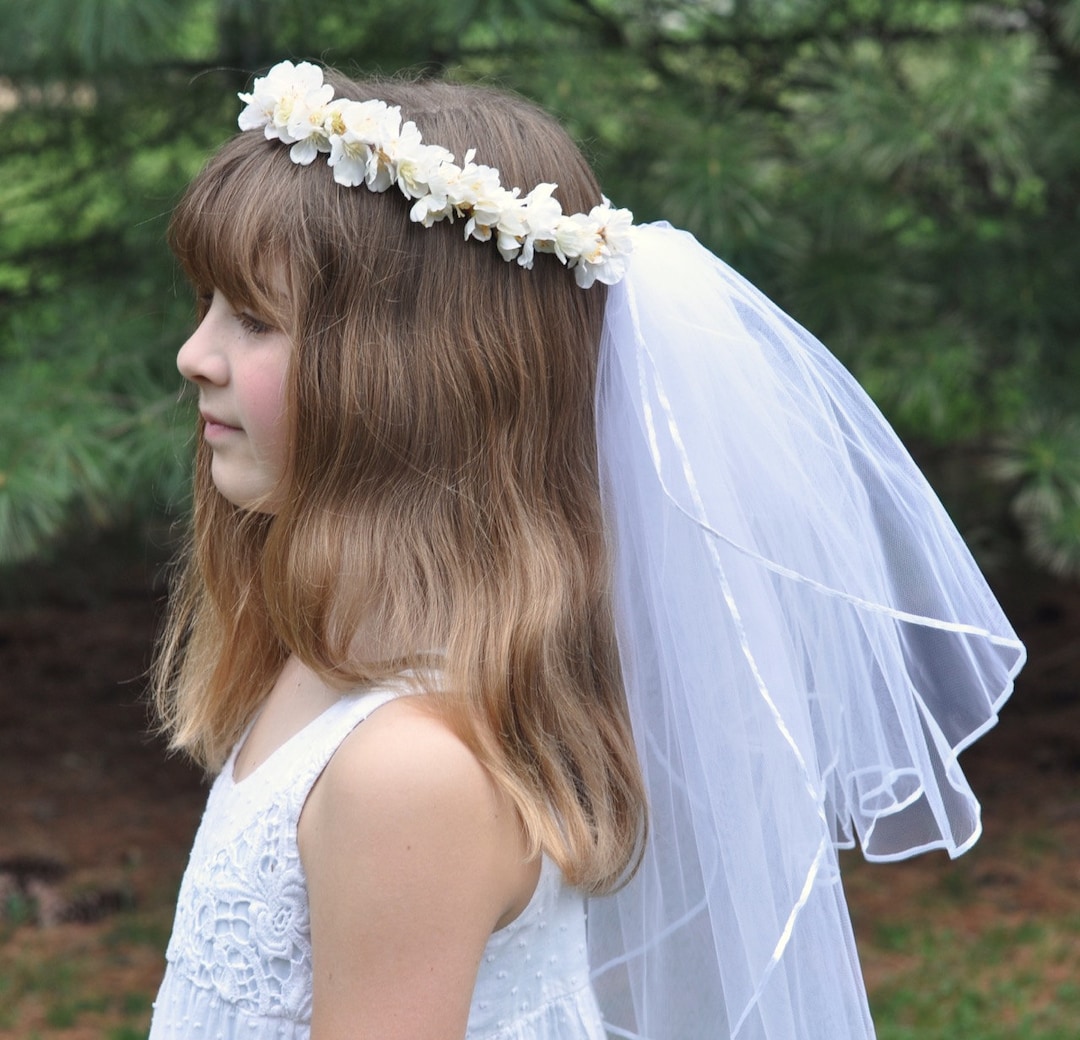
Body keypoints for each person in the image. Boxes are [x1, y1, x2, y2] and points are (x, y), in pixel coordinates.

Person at [148, 60, 1025, 1040]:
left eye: (255, 319)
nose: (196, 352)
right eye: (208, 303)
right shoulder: (330, 673)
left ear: (416, 383)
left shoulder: (405, 772)